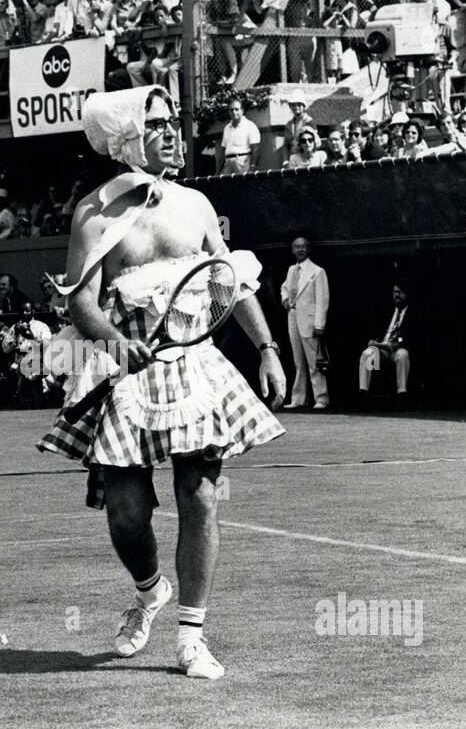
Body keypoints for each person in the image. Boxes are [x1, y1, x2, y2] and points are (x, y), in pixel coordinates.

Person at [37, 85, 286, 680]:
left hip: (196, 368)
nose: (173, 132)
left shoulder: (197, 205)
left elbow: (232, 280)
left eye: (173, 122)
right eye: (157, 124)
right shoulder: (94, 214)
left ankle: (191, 639)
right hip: (125, 375)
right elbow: (82, 305)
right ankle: (151, 594)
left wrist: (269, 349)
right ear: (126, 140)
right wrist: (117, 343)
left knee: (199, 495)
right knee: (124, 513)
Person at [280, 237, 329, 409]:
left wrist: (319, 324)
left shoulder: (317, 271)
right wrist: (285, 300)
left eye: (303, 247)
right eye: (297, 247)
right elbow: (284, 288)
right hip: (293, 317)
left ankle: (321, 398)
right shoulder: (292, 270)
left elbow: (322, 299)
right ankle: (298, 399)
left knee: (314, 362)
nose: (300, 250)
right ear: (293, 250)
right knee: (298, 362)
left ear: (308, 249)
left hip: (309, 321)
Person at [359, 280, 414, 402]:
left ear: (407, 294)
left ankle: (402, 393)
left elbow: (411, 338)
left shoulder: (414, 314)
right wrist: (376, 341)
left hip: (398, 348)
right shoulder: (386, 311)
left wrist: (395, 345)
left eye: (400, 292)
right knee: (368, 354)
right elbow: (376, 330)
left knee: (402, 355)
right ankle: (363, 392)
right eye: (395, 292)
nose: (396, 295)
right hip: (383, 349)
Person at [219, 96, 262, 174]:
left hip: (242, 162)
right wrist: (218, 170)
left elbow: (255, 149)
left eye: (236, 109)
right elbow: (223, 150)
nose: (234, 112)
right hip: (228, 164)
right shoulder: (227, 128)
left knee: (243, 185)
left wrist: (252, 167)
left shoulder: (250, 126)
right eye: (231, 110)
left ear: (242, 110)